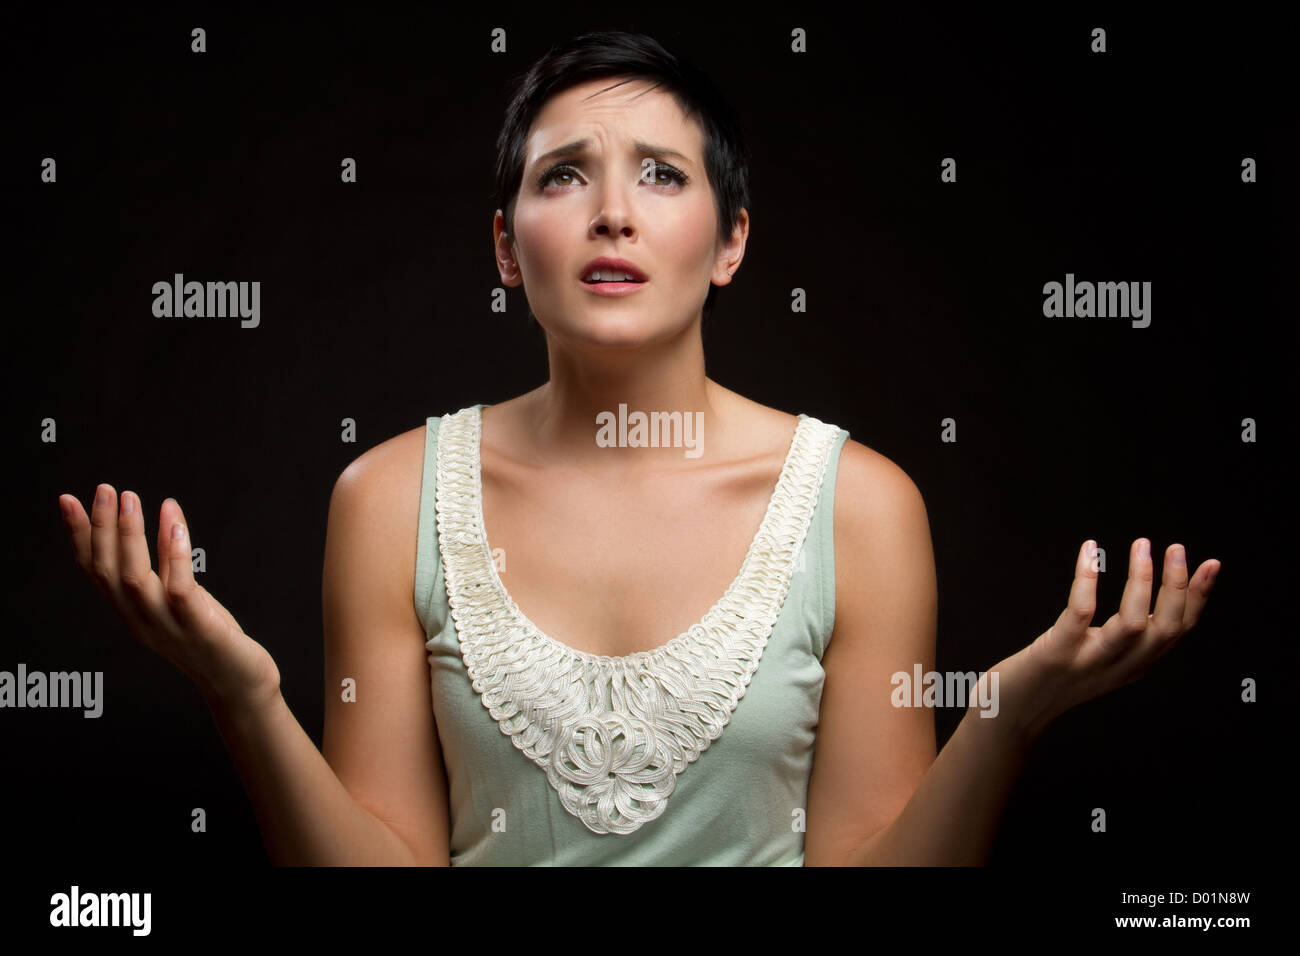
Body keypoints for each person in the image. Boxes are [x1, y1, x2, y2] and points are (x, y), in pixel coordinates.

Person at [56, 30, 1220, 866]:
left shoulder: (858, 504)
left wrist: (1002, 714)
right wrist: (247, 697)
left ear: (729, 242)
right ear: (508, 248)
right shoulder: (388, 493)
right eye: (564, 175)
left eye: (661, 175)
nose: (613, 211)